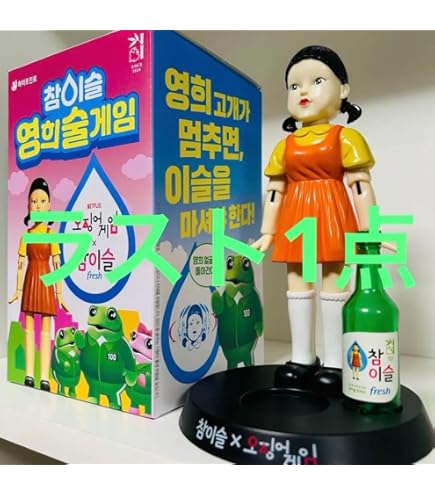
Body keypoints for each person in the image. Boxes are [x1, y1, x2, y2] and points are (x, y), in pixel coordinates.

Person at [252, 45, 376, 395]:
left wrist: (370, 229)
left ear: (344, 89)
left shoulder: (346, 138)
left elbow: (360, 186)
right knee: (298, 286)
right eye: (294, 86)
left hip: (333, 213)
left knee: (335, 284)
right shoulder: (285, 146)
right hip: (296, 218)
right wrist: (267, 231)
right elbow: (275, 192)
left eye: (317, 81)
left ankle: (336, 361)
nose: (303, 91)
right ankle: (302, 358)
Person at [9, 177, 69, 391]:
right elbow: (20, 265)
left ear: (49, 205)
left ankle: (43, 377)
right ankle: (28, 375)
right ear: (28, 205)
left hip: (46, 282)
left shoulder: (52, 235)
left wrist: (60, 295)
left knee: (45, 329)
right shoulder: (25, 236)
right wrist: (17, 290)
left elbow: (57, 265)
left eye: (42, 201)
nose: (38, 205)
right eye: (34, 201)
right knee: (28, 329)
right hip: (30, 280)